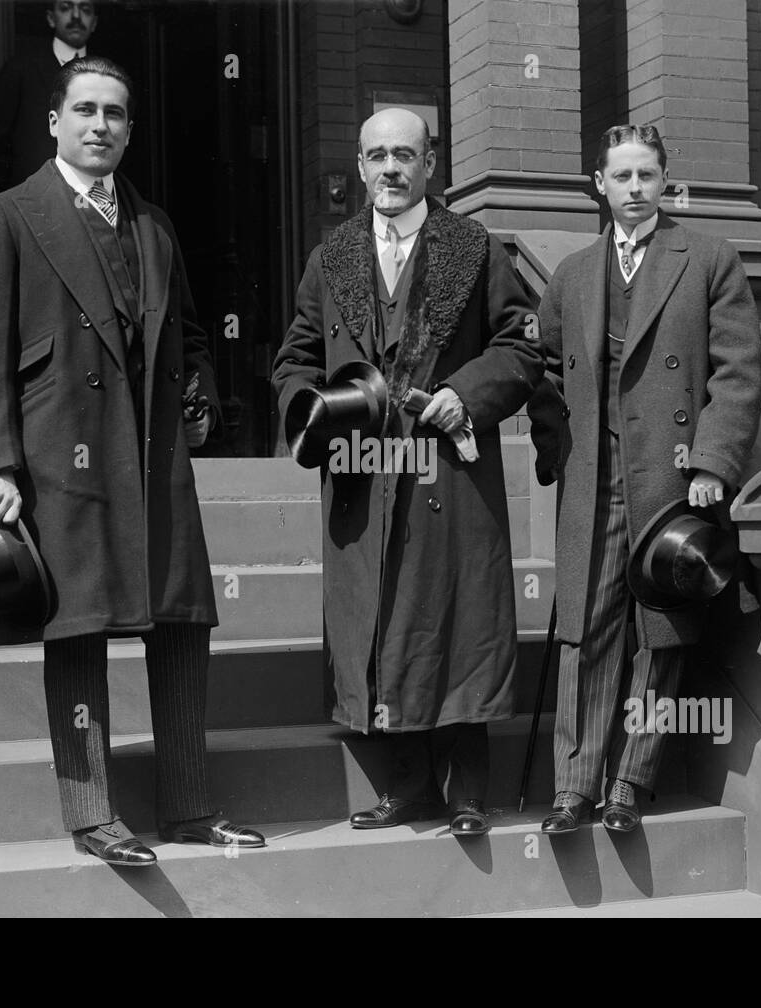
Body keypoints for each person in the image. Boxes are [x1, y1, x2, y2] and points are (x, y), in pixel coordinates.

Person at [0, 56, 263, 866]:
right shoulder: (9, 215)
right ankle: (93, 815)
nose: (100, 126)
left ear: (130, 130)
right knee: (79, 624)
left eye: (116, 114)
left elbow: (190, 334)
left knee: (182, 621)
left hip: (154, 451)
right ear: (54, 120)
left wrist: (199, 391)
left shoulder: (155, 226)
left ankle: (190, 808)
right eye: (85, 110)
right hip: (65, 452)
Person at [272, 108, 542, 837]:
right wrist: (312, 409)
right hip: (362, 469)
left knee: (455, 619)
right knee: (384, 620)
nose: (390, 169)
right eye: (376, 157)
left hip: (443, 470)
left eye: (405, 156)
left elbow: (521, 347)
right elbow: (295, 358)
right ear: (359, 168)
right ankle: (410, 787)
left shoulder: (474, 249)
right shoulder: (331, 258)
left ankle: (467, 794)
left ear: (430, 166)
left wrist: (467, 395)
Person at [530, 123, 761, 834]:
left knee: (660, 628)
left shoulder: (709, 260)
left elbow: (740, 372)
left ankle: (630, 782)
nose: (635, 189)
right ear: (597, 185)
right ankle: (573, 787)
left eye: (647, 176)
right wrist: (554, 447)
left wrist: (714, 464)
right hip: (593, 472)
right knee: (585, 627)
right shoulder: (572, 274)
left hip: (671, 476)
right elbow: (541, 370)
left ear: (666, 181)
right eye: (621, 177)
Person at [0, 0, 97, 197]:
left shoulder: (105, 74)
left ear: (94, 23)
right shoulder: (22, 67)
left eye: (85, 9)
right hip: (34, 201)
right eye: (66, 7)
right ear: (51, 18)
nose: (76, 16)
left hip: (91, 200)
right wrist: (17, 188)